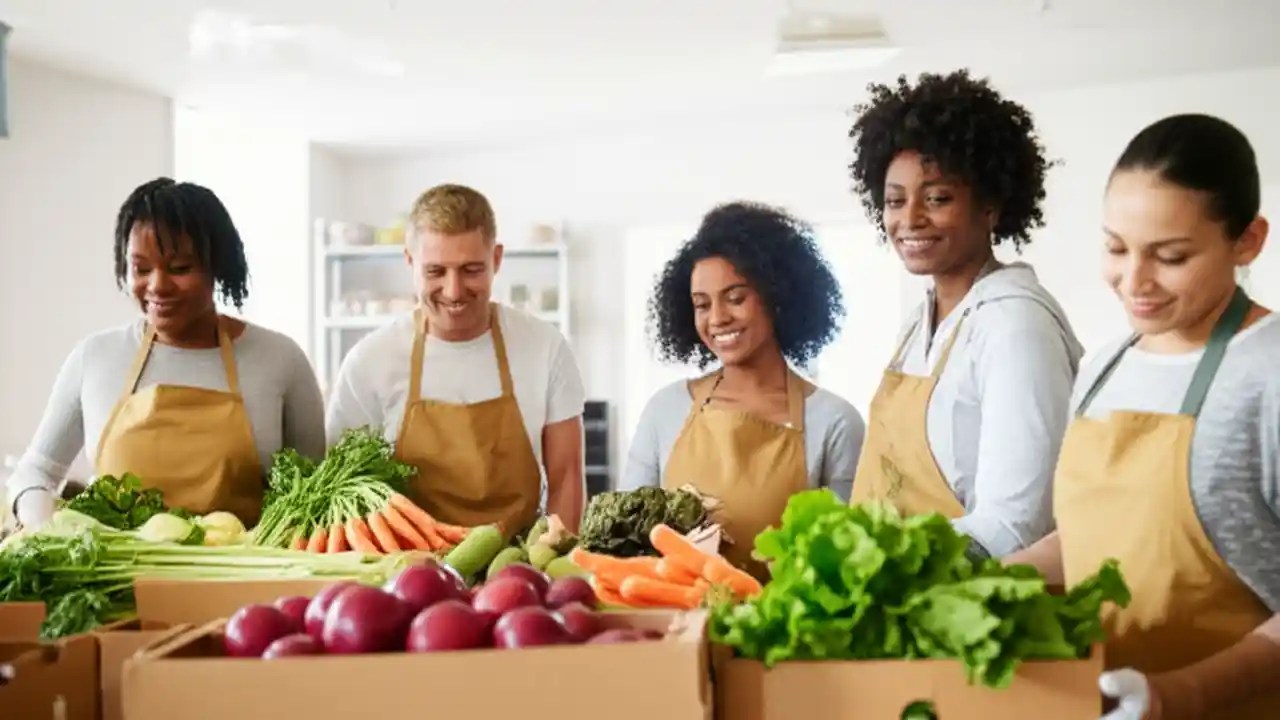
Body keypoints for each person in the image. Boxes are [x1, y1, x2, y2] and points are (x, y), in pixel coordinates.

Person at [1008, 114, 1280, 720]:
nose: (1135, 282)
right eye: (1115, 248)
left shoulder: (1269, 372)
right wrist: (974, 583)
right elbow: (1091, 540)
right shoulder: (1105, 365)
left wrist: (1181, 695)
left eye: (1171, 256)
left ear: (1248, 241)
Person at [845, 69, 1083, 560]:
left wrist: (881, 566)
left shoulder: (1016, 326)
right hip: (905, 604)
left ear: (991, 206)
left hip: (981, 608)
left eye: (937, 199)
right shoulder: (921, 322)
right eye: (895, 201)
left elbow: (1015, 526)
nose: (909, 219)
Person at [5, 177, 326, 529]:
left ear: (216, 266)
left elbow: (315, 496)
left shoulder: (280, 359)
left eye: (179, 268)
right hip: (114, 578)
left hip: (243, 577)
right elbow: (35, 472)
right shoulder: (95, 357)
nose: (157, 286)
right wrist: (45, 531)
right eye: (141, 269)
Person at [325, 184, 586, 536]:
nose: (453, 290)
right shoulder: (370, 362)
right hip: (405, 572)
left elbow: (566, 478)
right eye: (435, 272)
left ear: (496, 259)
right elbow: (342, 491)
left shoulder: (546, 349)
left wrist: (554, 568)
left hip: (518, 568)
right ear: (409, 262)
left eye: (471, 270)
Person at [623, 201, 865, 576]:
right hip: (678, 623)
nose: (717, 319)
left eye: (736, 298)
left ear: (777, 296)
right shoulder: (665, 409)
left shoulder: (834, 421)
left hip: (786, 626)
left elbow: (846, 558)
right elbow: (627, 542)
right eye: (702, 305)